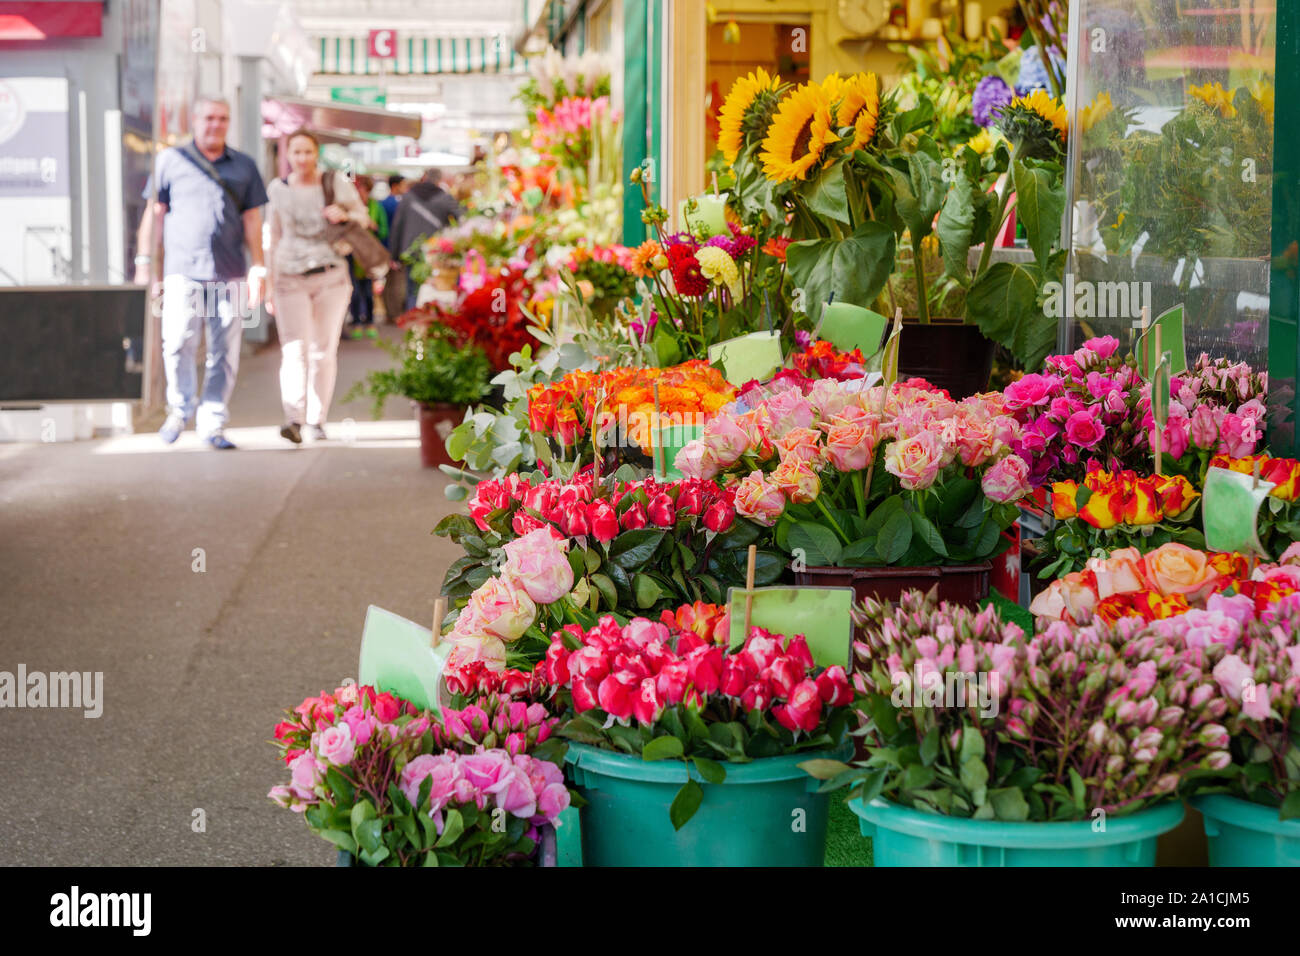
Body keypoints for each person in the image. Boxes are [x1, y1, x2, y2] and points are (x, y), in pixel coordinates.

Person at [134, 94, 269, 449]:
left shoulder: (244, 165)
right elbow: (155, 214)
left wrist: (258, 267)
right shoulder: (170, 160)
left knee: (224, 351)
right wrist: (145, 263)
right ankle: (179, 409)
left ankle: (212, 422)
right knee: (178, 341)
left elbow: (252, 220)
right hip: (182, 271)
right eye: (209, 118)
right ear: (194, 121)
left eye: (222, 119)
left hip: (230, 272)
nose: (215, 125)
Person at [265, 129, 369, 444]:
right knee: (294, 348)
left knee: (322, 350)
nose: (302, 158)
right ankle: (294, 419)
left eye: (307, 152)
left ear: (316, 153)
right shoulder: (278, 189)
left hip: (330, 274)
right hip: (289, 275)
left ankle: (317, 419)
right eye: (296, 152)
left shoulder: (334, 182)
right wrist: (268, 281)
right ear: (288, 155)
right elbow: (273, 235)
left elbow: (363, 218)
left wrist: (345, 213)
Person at [388, 167, 465, 310]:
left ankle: (412, 319)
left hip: (411, 251)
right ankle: (432, 320)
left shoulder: (408, 197)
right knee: (436, 291)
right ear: (439, 180)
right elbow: (463, 217)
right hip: (436, 252)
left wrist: (394, 255)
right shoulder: (444, 198)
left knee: (412, 291)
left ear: (424, 178)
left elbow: (397, 226)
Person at [345, 174, 386, 340]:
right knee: (354, 291)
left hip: (369, 256)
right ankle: (356, 321)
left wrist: (374, 227)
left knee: (368, 291)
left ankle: (369, 321)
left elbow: (384, 231)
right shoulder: (348, 208)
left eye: (362, 190)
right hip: (352, 255)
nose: (360, 193)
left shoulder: (376, 207)